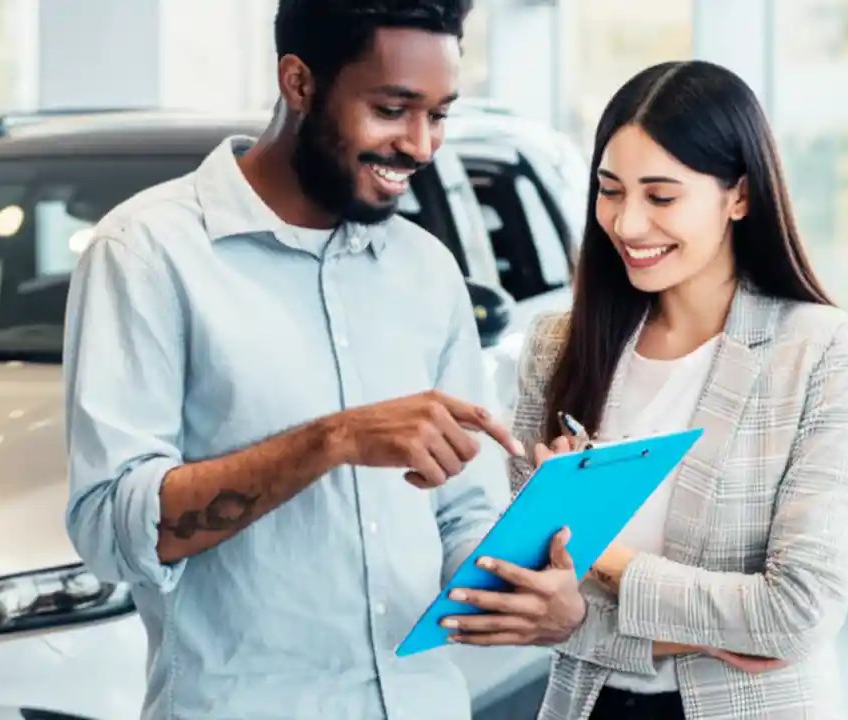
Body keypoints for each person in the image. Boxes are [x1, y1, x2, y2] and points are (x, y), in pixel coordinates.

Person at [61, 1, 585, 718]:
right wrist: (330, 440)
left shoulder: (427, 271)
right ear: (299, 82)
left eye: (439, 115)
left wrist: (540, 595)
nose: (422, 145)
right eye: (393, 109)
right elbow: (114, 534)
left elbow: (462, 510)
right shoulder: (149, 254)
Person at [442, 60, 848, 719]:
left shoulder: (826, 353)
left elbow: (796, 611)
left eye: (660, 195)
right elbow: (537, 595)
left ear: (738, 195)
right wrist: (697, 627)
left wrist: (609, 567)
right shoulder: (556, 348)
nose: (626, 224)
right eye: (610, 190)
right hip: (583, 705)